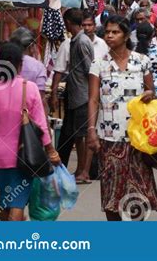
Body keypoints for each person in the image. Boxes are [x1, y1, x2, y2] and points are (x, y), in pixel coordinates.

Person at [0, 42, 60, 221]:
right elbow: (40, 124)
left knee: (6, 202)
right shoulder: (29, 88)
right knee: (17, 203)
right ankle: (12, 245)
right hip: (23, 156)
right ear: (20, 65)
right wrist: (51, 151)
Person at [87, 15, 157, 221]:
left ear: (126, 35)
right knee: (111, 193)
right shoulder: (98, 64)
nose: (109, 36)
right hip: (109, 139)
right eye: (107, 32)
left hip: (138, 139)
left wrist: (149, 95)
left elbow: (151, 91)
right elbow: (93, 99)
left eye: (115, 32)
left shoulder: (142, 61)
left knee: (138, 193)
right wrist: (91, 131)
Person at [54, 9, 94, 184]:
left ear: (69, 22)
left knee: (82, 134)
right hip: (77, 94)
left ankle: (84, 171)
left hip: (83, 95)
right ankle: (80, 170)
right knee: (78, 134)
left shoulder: (82, 42)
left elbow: (89, 70)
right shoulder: (75, 41)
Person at [10, 28, 48, 107]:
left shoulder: (4, 63)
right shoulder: (38, 66)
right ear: (31, 47)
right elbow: (40, 98)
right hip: (30, 114)